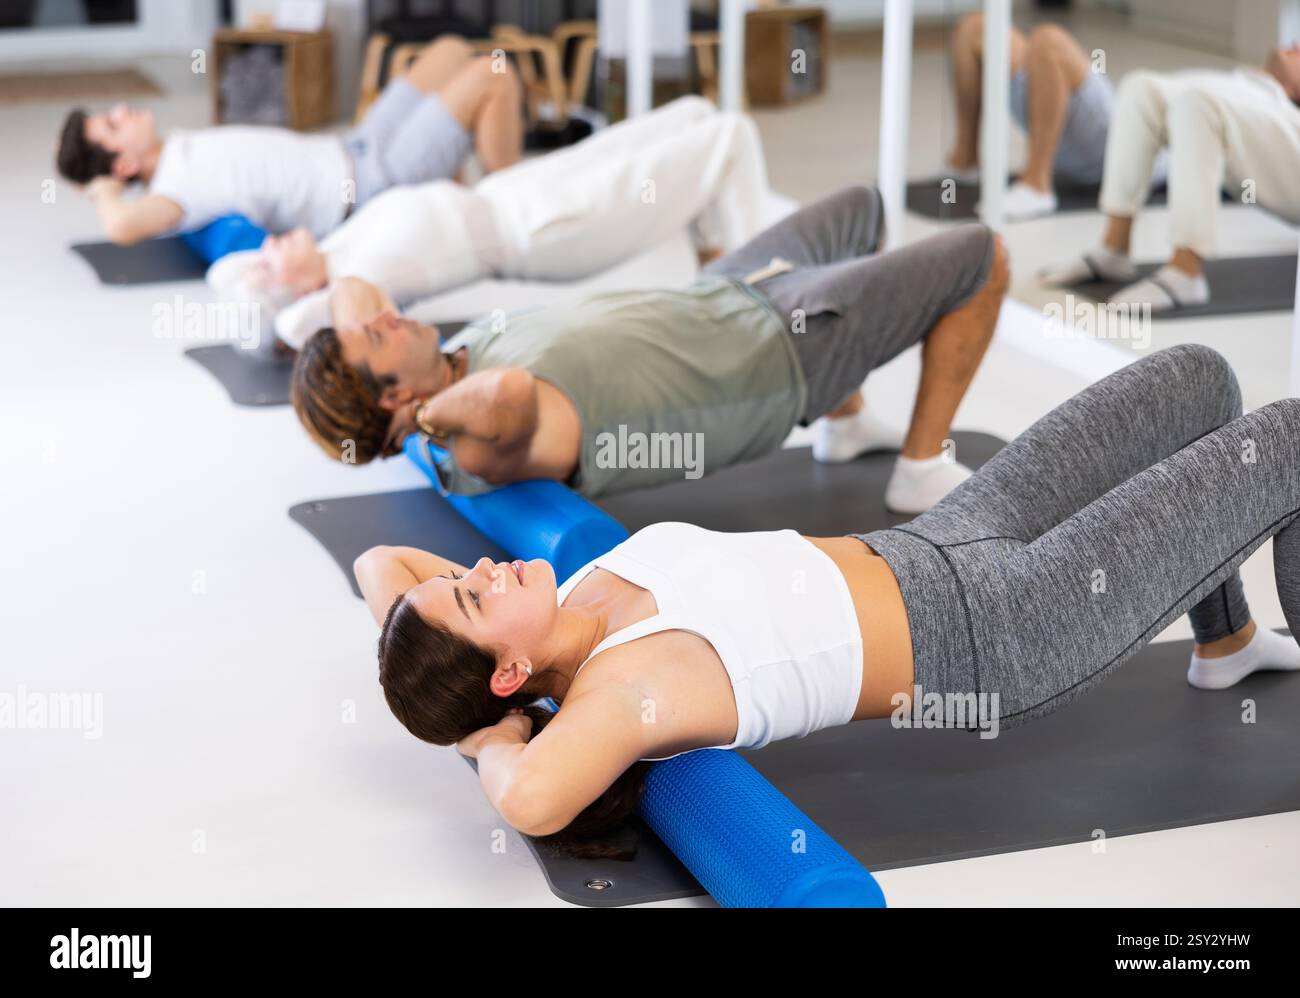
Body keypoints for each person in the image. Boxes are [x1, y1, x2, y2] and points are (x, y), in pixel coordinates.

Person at [356, 344, 1300, 850]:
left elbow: (380, 569)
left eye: (461, 578)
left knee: (1199, 384)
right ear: (513, 670)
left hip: (947, 534)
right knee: (1288, 441)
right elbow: (531, 804)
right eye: (473, 600)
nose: (475, 571)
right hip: (1002, 622)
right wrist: (488, 736)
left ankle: (1227, 643)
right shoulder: (617, 697)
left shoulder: (576, 589)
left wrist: (451, 659)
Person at [291, 186, 1008, 514]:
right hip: (775, 358)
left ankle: (847, 424)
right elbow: (507, 396)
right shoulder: (474, 441)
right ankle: (918, 468)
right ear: (395, 398)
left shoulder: (442, 363)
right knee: (982, 255)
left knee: (861, 208)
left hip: (725, 292)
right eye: (380, 335)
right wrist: (418, 418)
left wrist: (363, 353)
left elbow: (353, 289)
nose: (388, 314)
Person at [206, 97, 770, 350]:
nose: (271, 242)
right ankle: (766, 302)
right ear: (296, 290)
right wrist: (264, 303)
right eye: (266, 260)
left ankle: (718, 268)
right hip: (550, 228)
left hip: (520, 192)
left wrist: (262, 277)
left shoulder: (339, 244)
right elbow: (289, 328)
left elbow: (267, 295)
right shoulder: (357, 281)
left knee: (697, 113)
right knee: (731, 137)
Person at [55, 35, 523, 245]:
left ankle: (448, 183)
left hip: (356, 146)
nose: (121, 111)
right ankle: (518, 205)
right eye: (113, 128)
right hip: (374, 186)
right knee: (492, 74)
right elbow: (120, 228)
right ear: (122, 167)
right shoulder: (172, 193)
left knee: (450, 51)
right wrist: (102, 191)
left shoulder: (176, 150)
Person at [1044, 48, 1300, 311]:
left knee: (1198, 104)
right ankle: (1114, 249)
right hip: (1258, 99)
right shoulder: (1247, 82)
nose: (1294, 47)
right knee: (1139, 88)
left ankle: (1186, 273)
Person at [939, 14, 1125, 221]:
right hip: (1077, 140)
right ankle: (965, 161)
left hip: (1124, 152)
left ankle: (1037, 185)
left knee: (1048, 40)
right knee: (973, 28)